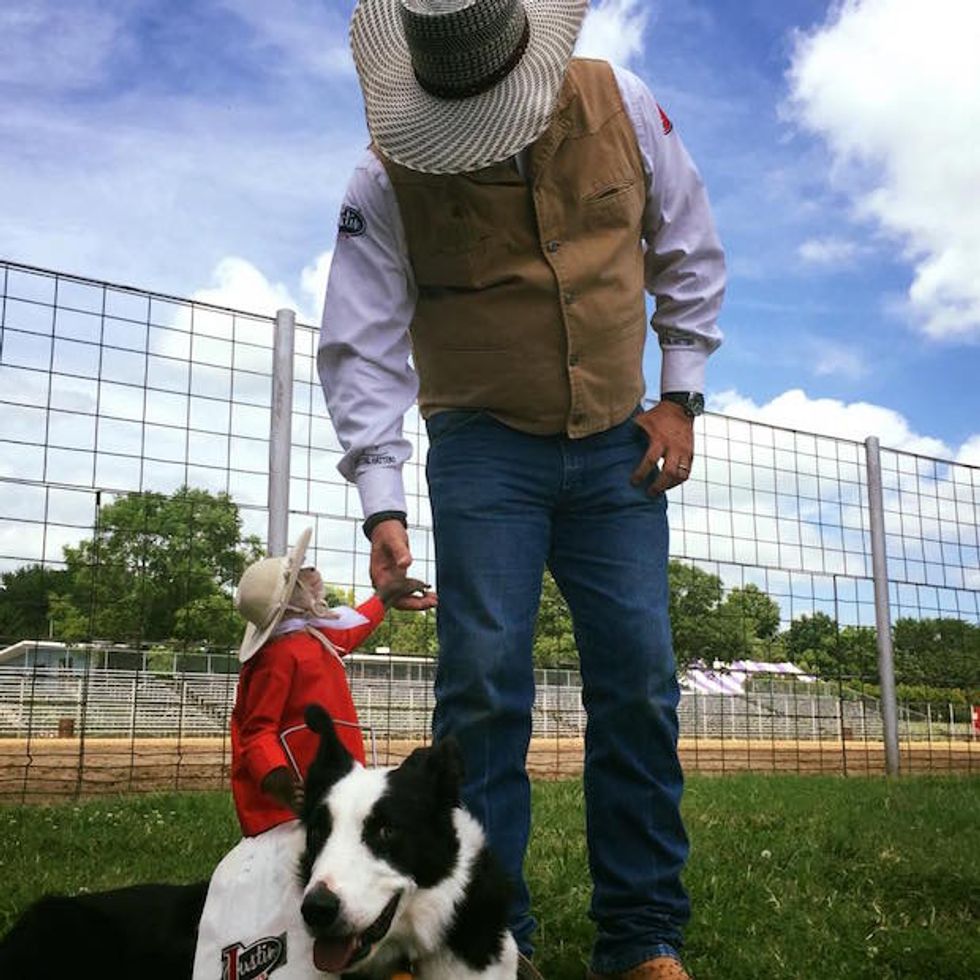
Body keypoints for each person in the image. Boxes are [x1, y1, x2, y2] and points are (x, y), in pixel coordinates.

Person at [318, 2, 725, 978]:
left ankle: (640, 937)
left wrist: (679, 399)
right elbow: (360, 340)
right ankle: (486, 942)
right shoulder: (383, 174)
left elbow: (687, 251)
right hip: (480, 447)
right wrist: (381, 495)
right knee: (482, 693)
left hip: (615, 443)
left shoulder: (623, 103)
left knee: (637, 683)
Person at [192, 527, 430, 980]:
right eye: (301, 578)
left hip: (331, 793)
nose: (313, 576)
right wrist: (278, 777)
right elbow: (257, 729)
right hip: (293, 808)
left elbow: (353, 628)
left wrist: (386, 594)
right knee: (300, 879)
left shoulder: (316, 638)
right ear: (293, 601)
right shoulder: (279, 656)